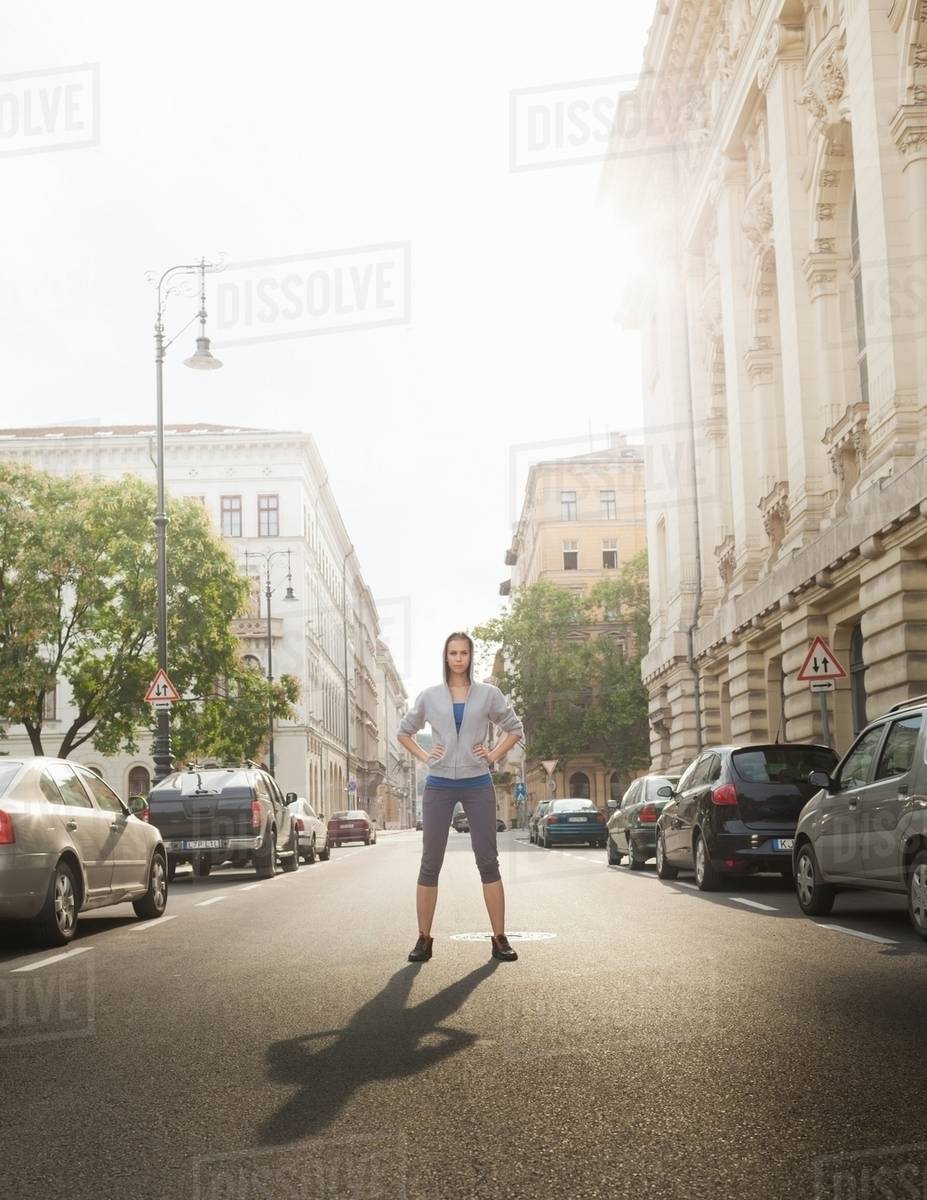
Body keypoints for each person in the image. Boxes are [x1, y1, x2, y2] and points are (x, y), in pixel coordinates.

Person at [397, 631, 524, 964]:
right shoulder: (430, 696)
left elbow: (515, 728)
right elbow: (403, 731)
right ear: (446, 657)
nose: (458, 658)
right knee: (430, 862)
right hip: (438, 783)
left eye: (463, 653)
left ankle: (499, 938)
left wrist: (493, 754)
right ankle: (424, 939)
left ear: (470, 657)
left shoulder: (488, 694)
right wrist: (425, 757)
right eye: (452, 653)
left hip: (477, 781)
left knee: (487, 860)